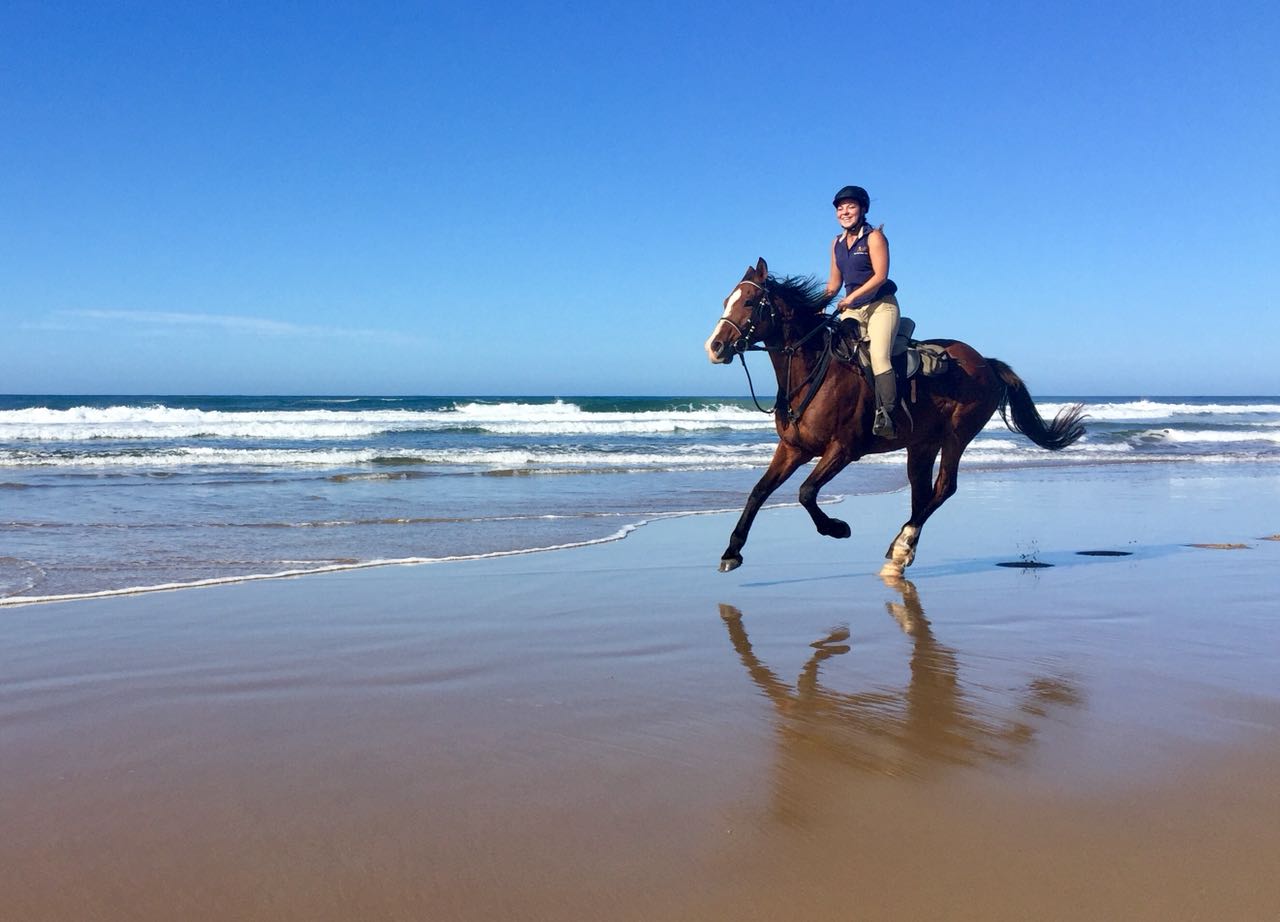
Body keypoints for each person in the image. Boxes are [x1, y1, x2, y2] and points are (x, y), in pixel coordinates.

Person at [824, 184, 901, 438]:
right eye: (840, 208)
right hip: (853, 309)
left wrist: (852, 296)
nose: (845, 212)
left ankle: (887, 415)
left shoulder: (874, 237)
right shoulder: (835, 244)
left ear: (863, 209)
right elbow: (834, 285)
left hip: (880, 306)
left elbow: (880, 276)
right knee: (837, 356)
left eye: (851, 206)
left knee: (879, 356)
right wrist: (816, 305)